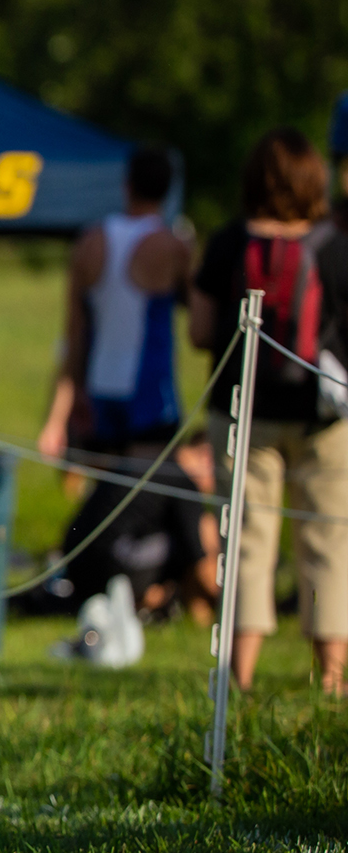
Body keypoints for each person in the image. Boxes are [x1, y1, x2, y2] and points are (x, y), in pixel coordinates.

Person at [190, 127, 348, 696]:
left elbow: (201, 329)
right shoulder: (337, 246)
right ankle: (331, 680)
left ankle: (240, 680)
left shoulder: (229, 242)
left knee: (247, 543)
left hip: (242, 411)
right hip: (324, 419)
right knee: (329, 541)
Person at [40, 148, 192, 459]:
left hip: (99, 384)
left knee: (106, 489)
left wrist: (65, 402)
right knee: (143, 493)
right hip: (150, 390)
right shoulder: (172, 246)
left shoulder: (90, 241)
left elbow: (74, 330)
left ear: (127, 185)